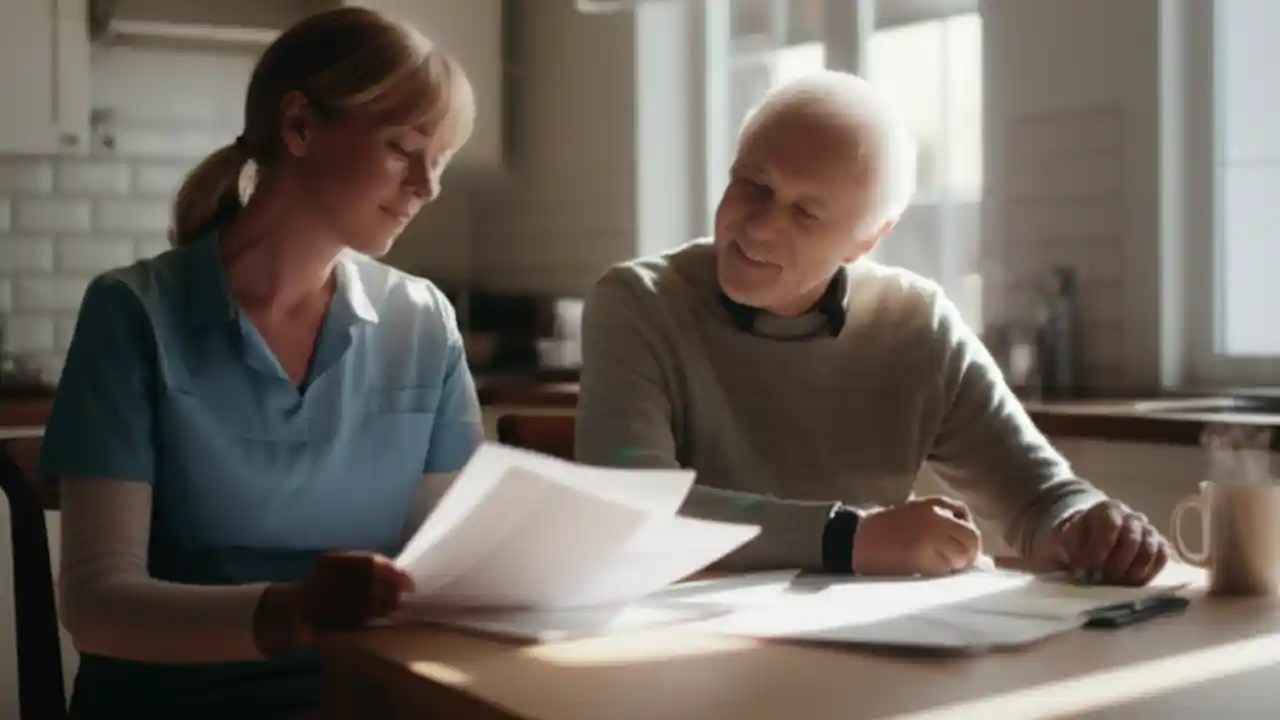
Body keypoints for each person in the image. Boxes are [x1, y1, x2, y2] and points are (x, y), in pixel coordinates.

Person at [38, 7, 481, 717]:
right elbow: (96, 604)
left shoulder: (423, 323)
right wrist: (294, 612)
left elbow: (452, 570)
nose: (426, 186)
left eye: (443, 161)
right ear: (300, 126)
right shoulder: (134, 314)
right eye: (403, 147)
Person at [577, 71, 1169, 585]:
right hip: (676, 662)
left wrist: (1091, 525)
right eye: (753, 185)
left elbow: (1042, 498)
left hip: (869, 656)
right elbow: (629, 506)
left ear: (866, 240)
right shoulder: (637, 302)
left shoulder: (915, 323)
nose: (758, 226)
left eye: (805, 211)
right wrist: (848, 538)